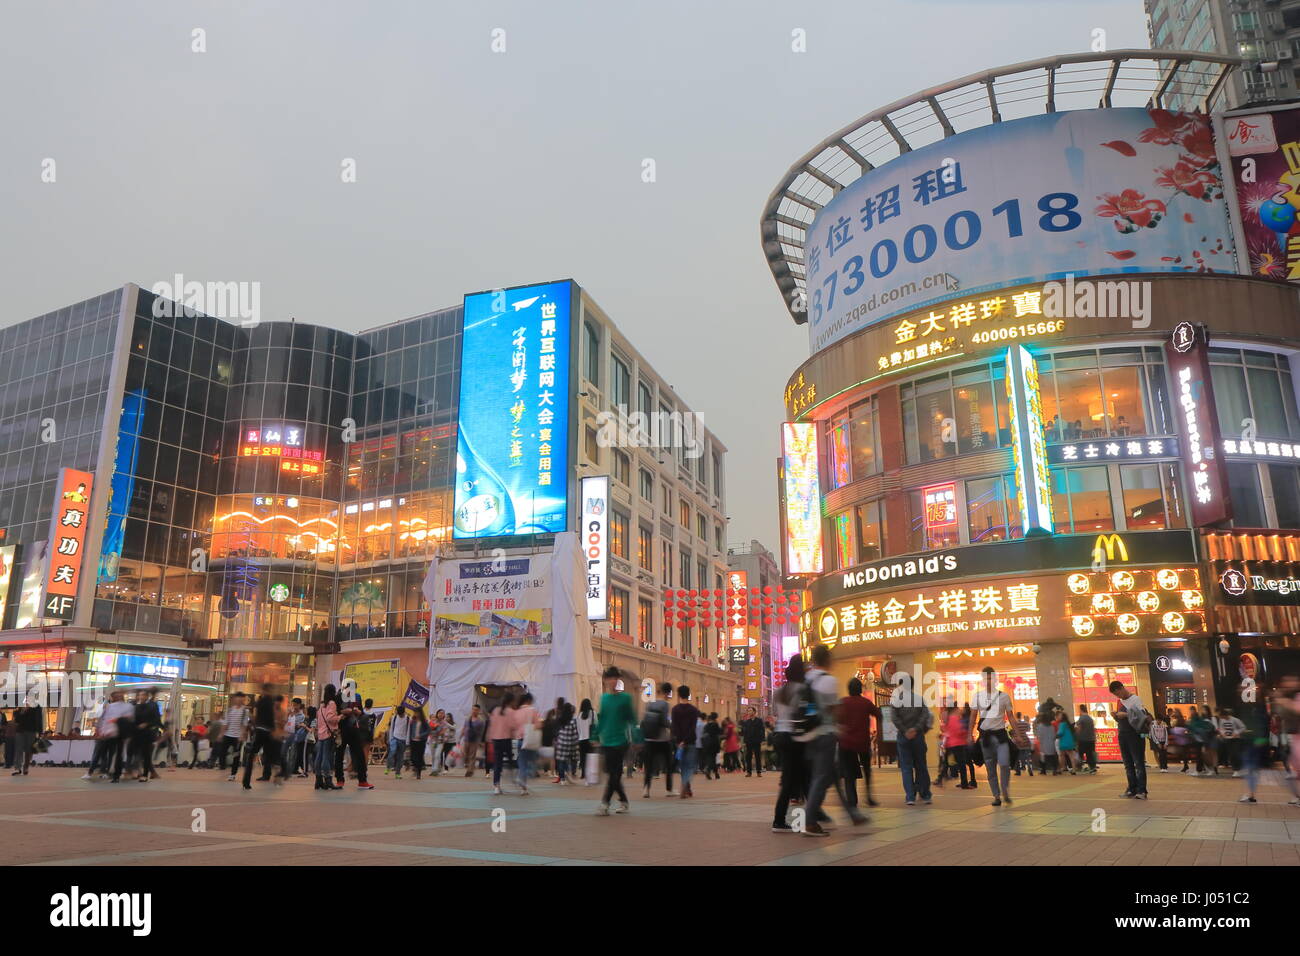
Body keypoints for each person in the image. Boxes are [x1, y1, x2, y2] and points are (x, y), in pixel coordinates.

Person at [594, 666, 636, 815]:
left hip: (621, 742)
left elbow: (631, 718)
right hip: (607, 742)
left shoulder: (625, 698)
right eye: (610, 678)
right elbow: (602, 719)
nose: (613, 681)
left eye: (615, 678)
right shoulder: (604, 699)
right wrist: (595, 735)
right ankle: (624, 802)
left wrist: (637, 738)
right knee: (614, 774)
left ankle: (605, 803)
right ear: (605, 680)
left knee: (614, 774)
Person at [973, 667, 1015, 806]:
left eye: (991, 678)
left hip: (1000, 736)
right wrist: (969, 735)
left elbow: (1011, 717)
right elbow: (973, 718)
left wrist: (1018, 734)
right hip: (985, 737)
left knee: (1004, 764)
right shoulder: (977, 696)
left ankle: (1005, 790)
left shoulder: (1004, 696)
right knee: (990, 768)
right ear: (983, 681)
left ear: (995, 680)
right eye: (986, 678)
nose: (989, 681)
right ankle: (996, 796)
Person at [891, 671, 933, 808]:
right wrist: (915, 729)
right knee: (921, 766)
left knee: (906, 768)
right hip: (918, 736)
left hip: (903, 737)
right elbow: (925, 716)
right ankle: (925, 794)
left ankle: (910, 797)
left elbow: (894, 718)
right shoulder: (919, 699)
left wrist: (905, 730)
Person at [838, 677, 881, 806]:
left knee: (848, 772)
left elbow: (835, 719)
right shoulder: (866, 703)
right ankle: (868, 797)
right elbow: (879, 714)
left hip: (846, 743)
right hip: (862, 742)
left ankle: (852, 799)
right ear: (860, 689)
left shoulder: (842, 702)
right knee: (867, 770)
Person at [1110, 680, 1149, 799]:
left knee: (1138, 762)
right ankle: (1131, 789)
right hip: (1122, 734)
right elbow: (1121, 720)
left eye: (1118, 693)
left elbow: (1142, 718)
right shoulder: (1120, 702)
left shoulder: (1136, 699)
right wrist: (1115, 717)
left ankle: (1142, 790)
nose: (1118, 696)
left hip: (1134, 735)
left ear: (1122, 688)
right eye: (1116, 695)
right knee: (1127, 763)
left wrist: (1126, 715)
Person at [243, 686, 284, 789]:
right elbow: (272, 718)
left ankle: (246, 781)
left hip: (260, 731)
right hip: (269, 732)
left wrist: (255, 725)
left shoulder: (259, 702)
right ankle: (277, 776)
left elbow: (255, 716)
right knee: (272, 756)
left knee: (252, 755)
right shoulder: (271, 702)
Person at [640, 682, 674, 798]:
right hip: (662, 740)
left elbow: (644, 720)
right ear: (668, 693)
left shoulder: (649, 703)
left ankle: (646, 789)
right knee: (668, 764)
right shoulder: (665, 704)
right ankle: (669, 790)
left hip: (649, 739)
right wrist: (671, 726)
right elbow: (664, 722)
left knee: (648, 766)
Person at [336, 695, 375, 790]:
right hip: (341, 730)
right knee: (339, 755)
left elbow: (361, 712)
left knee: (360, 754)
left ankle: (362, 781)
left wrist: (358, 712)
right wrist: (342, 712)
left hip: (354, 729)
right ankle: (339, 780)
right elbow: (334, 712)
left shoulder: (357, 697)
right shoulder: (339, 697)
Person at [488, 693, 516, 796]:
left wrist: (491, 737)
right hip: (506, 739)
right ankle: (513, 778)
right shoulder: (511, 712)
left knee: (497, 763)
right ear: (511, 701)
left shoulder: (495, 710)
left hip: (496, 740)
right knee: (510, 760)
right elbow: (513, 725)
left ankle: (496, 786)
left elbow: (491, 725)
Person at [314, 684, 342, 790]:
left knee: (319, 757)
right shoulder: (332, 703)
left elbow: (320, 720)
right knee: (326, 757)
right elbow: (330, 718)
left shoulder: (322, 705)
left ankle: (318, 780)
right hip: (328, 734)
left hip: (321, 734)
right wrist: (340, 717)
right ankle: (328, 780)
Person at [132, 689, 162, 783]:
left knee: (146, 755)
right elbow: (133, 720)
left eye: (144, 695)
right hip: (137, 733)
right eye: (140, 695)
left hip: (147, 734)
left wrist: (146, 724)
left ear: (147, 696)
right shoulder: (136, 707)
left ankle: (145, 774)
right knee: (137, 754)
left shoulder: (151, 706)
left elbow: (155, 719)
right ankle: (139, 772)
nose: (142, 697)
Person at [939, 700, 971, 789]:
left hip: (950, 743)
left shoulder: (947, 717)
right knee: (961, 764)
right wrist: (966, 734)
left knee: (946, 762)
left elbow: (944, 728)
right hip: (958, 743)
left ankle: (940, 779)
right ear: (955, 708)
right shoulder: (955, 718)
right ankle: (964, 783)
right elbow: (959, 731)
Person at [218, 693, 250, 779]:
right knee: (222, 751)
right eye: (237, 698)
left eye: (241, 699)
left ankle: (233, 774)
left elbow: (244, 724)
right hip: (227, 735)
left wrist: (242, 735)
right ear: (234, 699)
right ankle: (223, 766)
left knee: (236, 755)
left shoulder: (245, 711)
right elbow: (225, 723)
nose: (239, 700)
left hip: (237, 737)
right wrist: (221, 734)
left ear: (243, 700)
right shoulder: (230, 710)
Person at [513, 693, 540, 794]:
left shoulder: (517, 711)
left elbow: (514, 726)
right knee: (533, 761)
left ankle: (523, 788)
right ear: (529, 700)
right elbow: (538, 725)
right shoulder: (532, 711)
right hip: (529, 741)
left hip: (519, 740)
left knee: (522, 763)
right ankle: (522, 778)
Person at [11, 698, 43, 776]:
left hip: (31, 731)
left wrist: (40, 731)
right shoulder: (20, 707)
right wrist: (22, 711)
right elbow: (17, 720)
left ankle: (26, 767)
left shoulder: (37, 706)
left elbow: (39, 719)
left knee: (29, 750)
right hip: (20, 731)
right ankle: (17, 768)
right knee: (19, 749)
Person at [1216, 708, 1246, 775]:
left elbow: (1243, 727)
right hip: (1227, 739)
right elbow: (1221, 728)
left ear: (1225, 715)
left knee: (1235, 753)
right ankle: (1236, 769)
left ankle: (1238, 769)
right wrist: (1222, 733)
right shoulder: (1221, 720)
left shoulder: (1235, 720)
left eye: (1222, 716)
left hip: (1236, 739)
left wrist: (1237, 732)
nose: (1222, 718)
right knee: (1231, 755)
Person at [554, 702, 578, 784]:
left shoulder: (560, 719)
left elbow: (557, 731)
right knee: (567, 761)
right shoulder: (572, 720)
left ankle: (562, 779)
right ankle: (567, 776)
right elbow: (575, 733)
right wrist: (576, 743)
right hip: (569, 743)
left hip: (560, 742)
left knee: (561, 761)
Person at [461, 704, 486, 777]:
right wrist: (460, 737)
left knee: (472, 755)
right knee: (465, 754)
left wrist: (481, 741)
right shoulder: (468, 718)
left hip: (475, 740)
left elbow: (482, 732)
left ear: (478, 711)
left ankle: (470, 771)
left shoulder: (480, 721)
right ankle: (469, 766)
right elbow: (464, 727)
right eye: (473, 709)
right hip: (466, 739)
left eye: (476, 710)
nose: (474, 711)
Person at [740, 707, 765, 778]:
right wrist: (744, 741)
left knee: (757, 756)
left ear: (754, 712)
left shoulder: (759, 720)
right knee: (748, 757)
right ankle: (749, 772)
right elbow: (745, 732)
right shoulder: (747, 722)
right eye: (748, 711)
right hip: (749, 741)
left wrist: (762, 739)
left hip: (757, 741)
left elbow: (762, 730)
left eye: (750, 710)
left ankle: (759, 772)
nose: (749, 712)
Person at [387, 704, 410, 778]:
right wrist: (390, 739)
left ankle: (398, 773)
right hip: (394, 737)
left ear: (404, 712)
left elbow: (408, 730)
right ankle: (388, 767)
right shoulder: (394, 717)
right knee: (392, 752)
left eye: (401, 714)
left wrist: (407, 741)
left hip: (403, 739)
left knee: (400, 757)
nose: (400, 715)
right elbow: (391, 728)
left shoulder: (408, 719)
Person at [576, 699, 596, 782]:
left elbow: (578, 728)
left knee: (582, 758)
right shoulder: (592, 713)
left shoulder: (579, 715)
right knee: (590, 758)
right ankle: (591, 774)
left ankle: (583, 774)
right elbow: (595, 724)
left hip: (581, 739)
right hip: (590, 739)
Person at [408, 707, 430, 779]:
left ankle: (418, 773)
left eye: (417, 712)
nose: (416, 714)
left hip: (421, 741)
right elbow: (410, 731)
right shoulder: (413, 721)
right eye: (415, 712)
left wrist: (421, 735)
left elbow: (428, 730)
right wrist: (409, 739)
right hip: (413, 741)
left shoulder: (424, 722)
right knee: (413, 757)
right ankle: (415, 768)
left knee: (420, 757)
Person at [1075, 705, 1098, 774]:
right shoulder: (1090, 718)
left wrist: (1076, 736)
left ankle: (1079, 768)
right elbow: (1094, 729)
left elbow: (1079, 729)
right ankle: (1092, 767)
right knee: (1090, 754)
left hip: (1083, 739)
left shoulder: (1081, 719)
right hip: (1091, 739)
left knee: (1080, 754)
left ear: (1081, 710)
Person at [1034, 710, 1058, 775]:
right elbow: (1054, 735)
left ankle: (1043, 770)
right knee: (1052, 757)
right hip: (1051, 744)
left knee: (1043, 757)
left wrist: (1040, 740)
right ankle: (1054, 769)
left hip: (1043, 744)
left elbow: (1039, 736)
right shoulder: (1051, 726)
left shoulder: (1040, 726)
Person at [1010, 711, 1033, 777]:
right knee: (1027, 757)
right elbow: (1028, 730)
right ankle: (1030, 770)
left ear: (1016, 716)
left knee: (1017, 757)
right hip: (1026, 741)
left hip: (1018, 742)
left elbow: (1012, 732)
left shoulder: (1014, 724)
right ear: (1021, 715)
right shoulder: (1025, 723)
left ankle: (1018, 771)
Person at [1056, 710, 1078, 775]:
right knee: (1071, 756)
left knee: (1061, 755)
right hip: (1070, 742)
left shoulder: (1062, 724)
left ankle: (1061, 768)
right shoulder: (1068, 724)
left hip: (1063, 742)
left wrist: (1056, 736)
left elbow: (1060, 732)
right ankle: (1074, 769)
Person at [700, 713, 721, 780]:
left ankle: (716, 773)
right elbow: (719, 732)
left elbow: (703, 733)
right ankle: (708, 770)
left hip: (707, 743)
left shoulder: (706, 725)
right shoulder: (715, 724)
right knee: (712, 758)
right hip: (714, 743)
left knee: (711, 758)